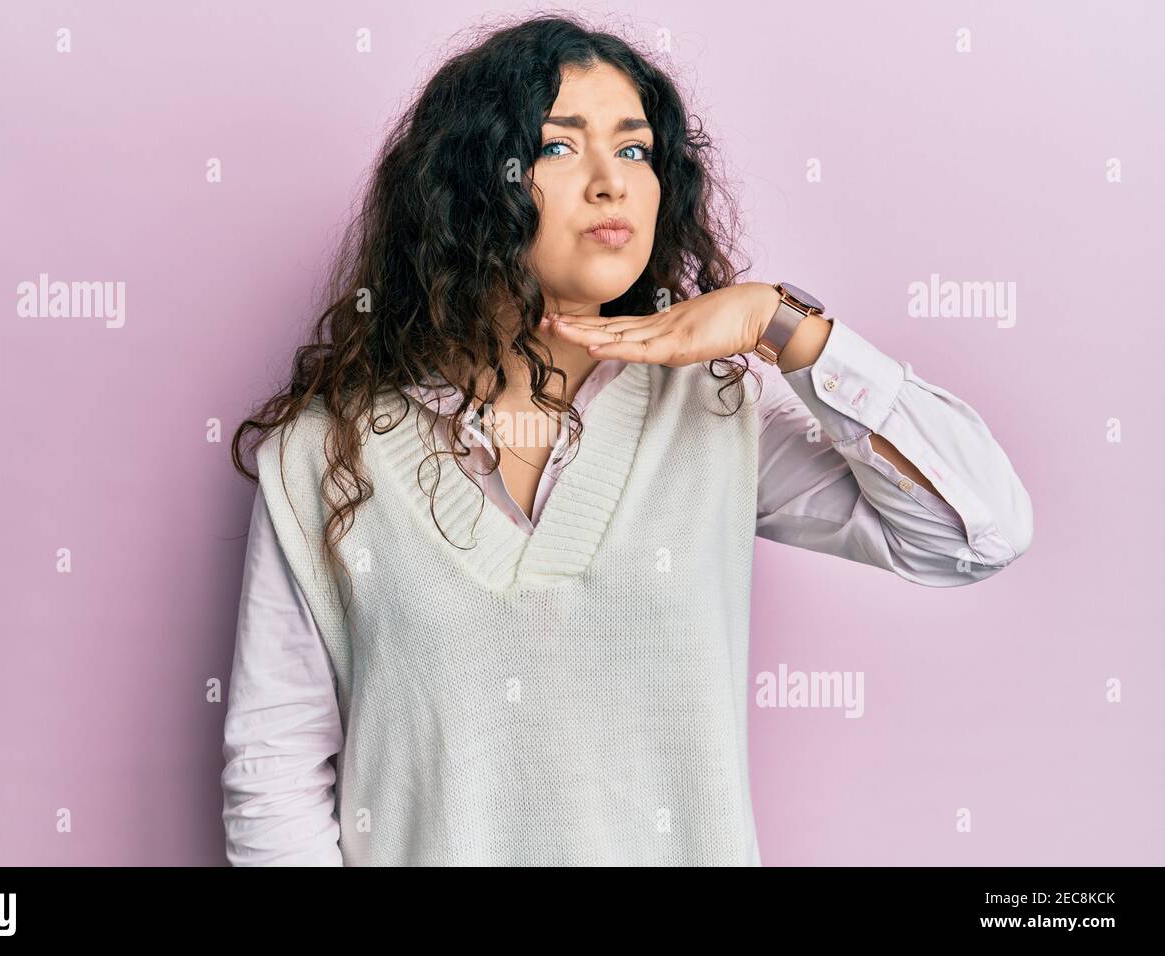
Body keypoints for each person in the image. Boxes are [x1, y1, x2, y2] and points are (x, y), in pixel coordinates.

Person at [220, 14, 1033, 866]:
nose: (611, 182)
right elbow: (273, 776)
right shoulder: (325, 454)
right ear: (469, 182)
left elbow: (975, 534)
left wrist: (783, 325)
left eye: (637, 150)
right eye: (560, 147)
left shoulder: (711, 413)